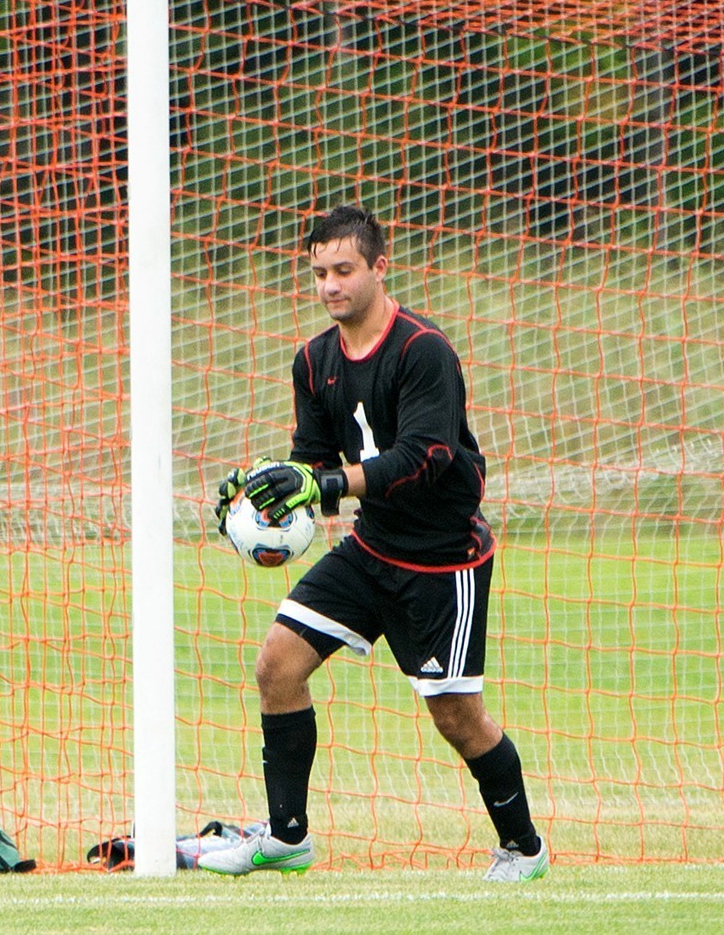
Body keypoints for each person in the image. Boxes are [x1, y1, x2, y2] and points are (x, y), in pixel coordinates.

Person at [203, 204, 548, 882]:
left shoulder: (423, 350)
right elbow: (312, 462)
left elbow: (425, 457)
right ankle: (287, 837)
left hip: (443, 559)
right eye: (318, 274)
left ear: (379, 267)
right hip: (371, 548)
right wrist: (264, 496)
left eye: (344, 270)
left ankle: (524, 847)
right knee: (277, 664)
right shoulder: (314, 360)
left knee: (457, 716)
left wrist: (323, 481)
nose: (330, 285)